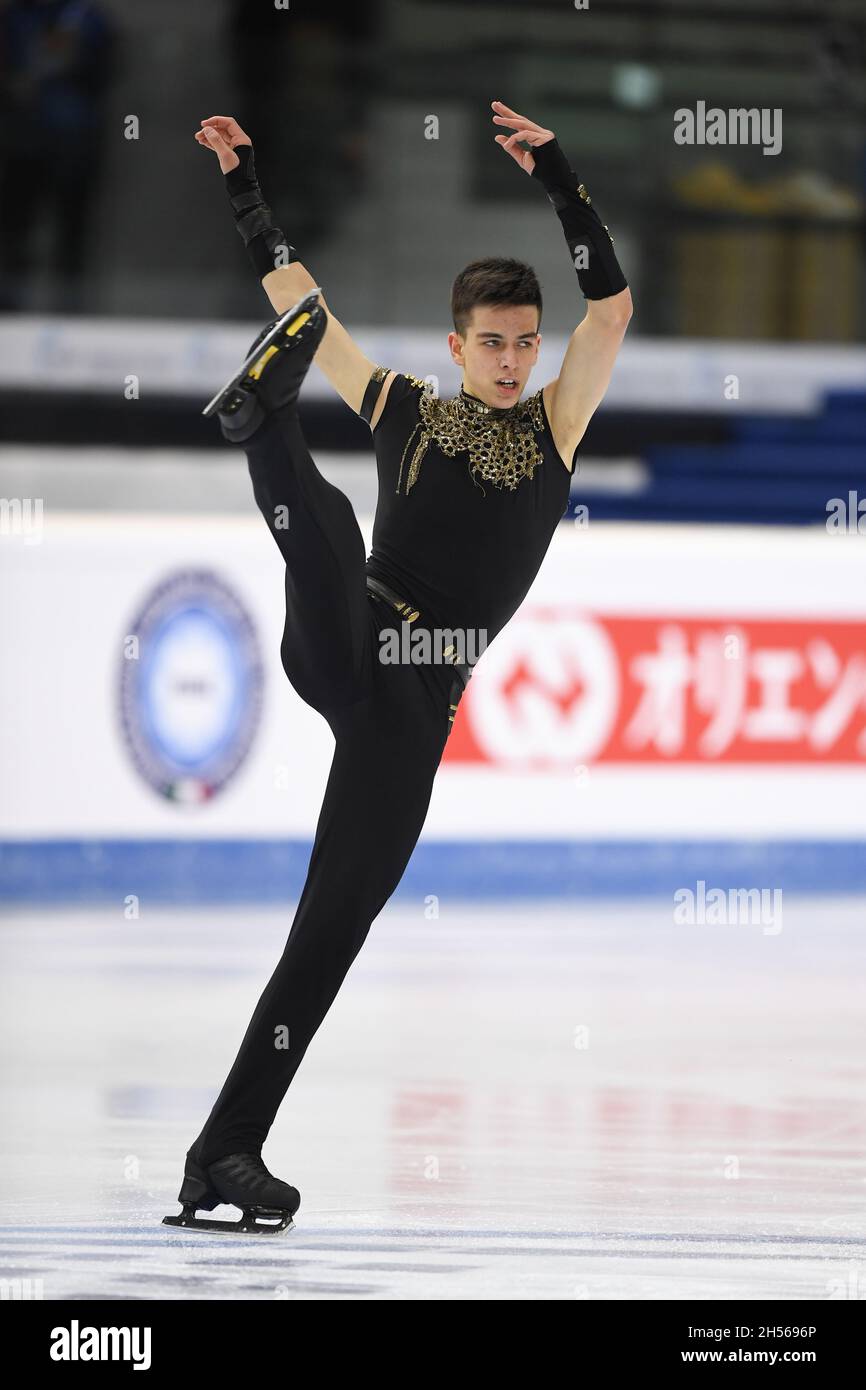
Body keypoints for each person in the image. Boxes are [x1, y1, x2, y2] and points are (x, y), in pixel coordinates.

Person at [163, 100, 633, 1235]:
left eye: (526, 340)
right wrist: (246, 192)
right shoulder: (405, 411)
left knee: (329, 930)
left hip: (412, 708)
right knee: (323, 525)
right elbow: (301, 304)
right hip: (353, 631)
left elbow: (608, 308)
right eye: (494, 341)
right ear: (457, 340)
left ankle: (222, 1150)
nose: (517, 359)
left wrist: (560, 177)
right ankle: (263, 422)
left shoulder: (556, 430)